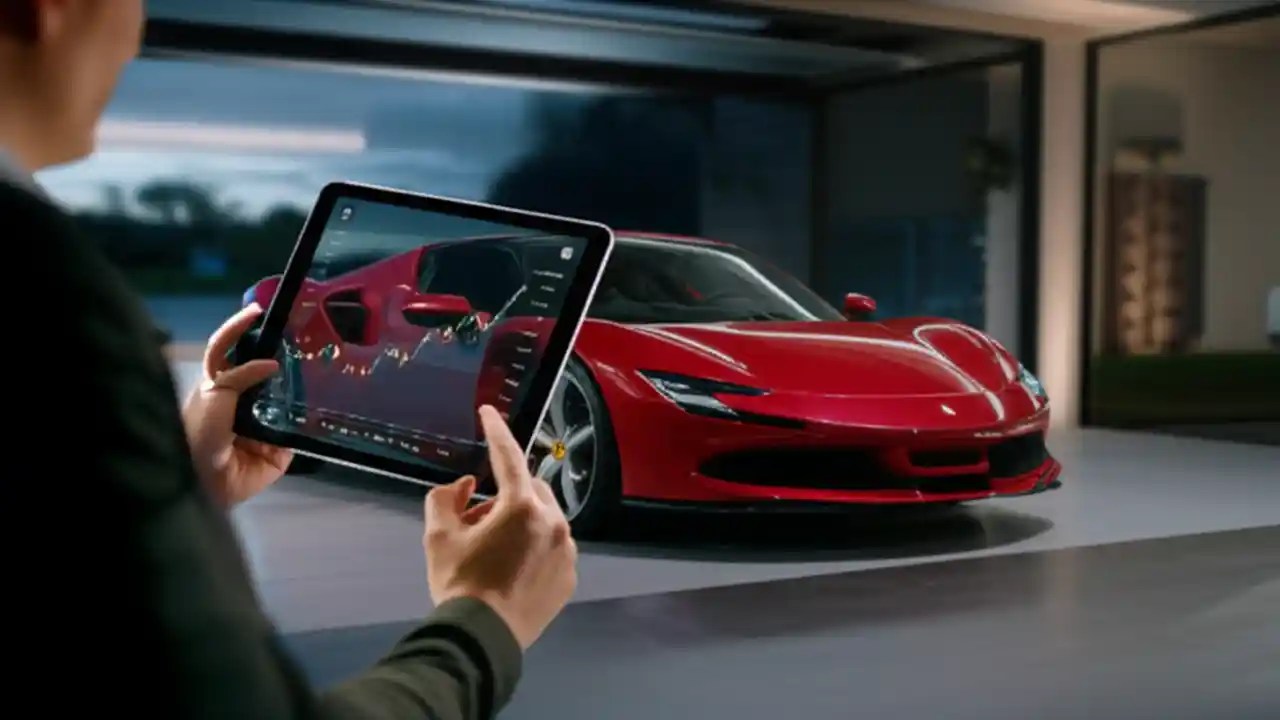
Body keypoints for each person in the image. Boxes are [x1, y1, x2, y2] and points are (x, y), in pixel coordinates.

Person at [2, 1, 576, 718]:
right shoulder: (37, 285)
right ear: (45, 9)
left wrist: (180, 491)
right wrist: (486, 617)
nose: (135, 34)